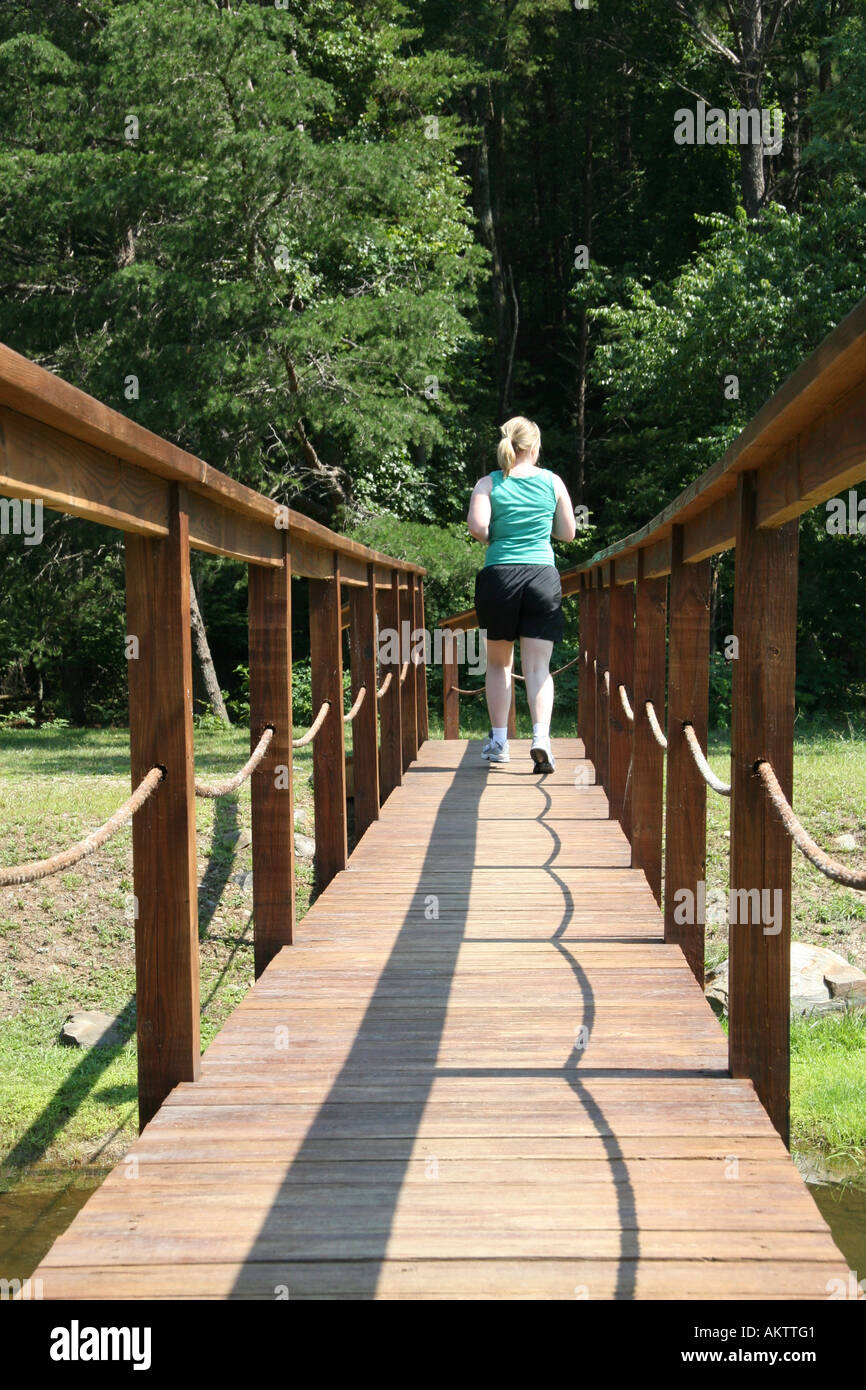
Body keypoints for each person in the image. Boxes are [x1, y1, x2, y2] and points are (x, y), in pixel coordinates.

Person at [466, 416, 576, 772]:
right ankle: (541, 736)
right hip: (542, 577)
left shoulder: (489, 482)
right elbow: (568, 532)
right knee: (538, 666)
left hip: (499, 577)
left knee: (499, 663)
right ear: (535, 446)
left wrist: (496, 536)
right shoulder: (553, 481)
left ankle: (499, 742)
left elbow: (478, 528)